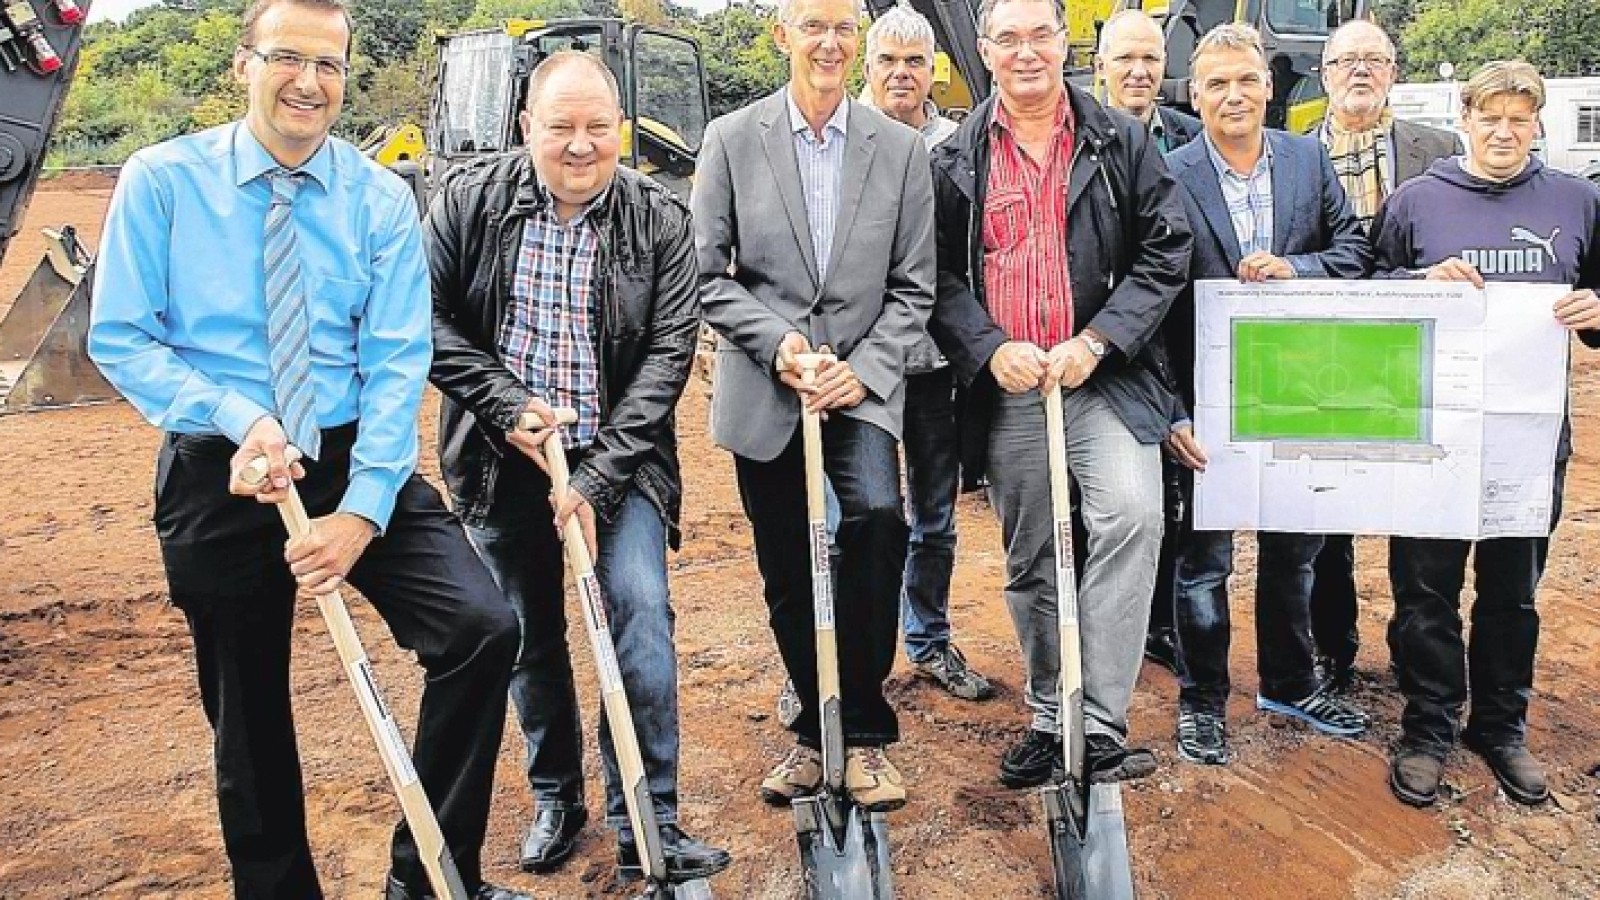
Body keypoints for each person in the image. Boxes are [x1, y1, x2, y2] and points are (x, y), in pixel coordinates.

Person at [86, 2, 528, 898]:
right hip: (222, 467)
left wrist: (363, 510)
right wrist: (233, 414)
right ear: (243, 65)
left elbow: (396, 360)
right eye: (288, 57)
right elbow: (123, 336)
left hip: (351, 455)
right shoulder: (161, 181)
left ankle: (432, 878)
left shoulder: (381, 199)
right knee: (247, 709)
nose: (309, 82)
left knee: (481, 629)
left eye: (329, 65)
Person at [424, 52, 732, 882]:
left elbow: (668, 354)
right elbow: (427, 321)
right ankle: (556, 796)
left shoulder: (658, 218)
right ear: (528, 126)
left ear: (621, 130)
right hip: (501, 457)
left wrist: (595, 481)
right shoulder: (468, 204)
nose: (580, 144)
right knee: (527, 632)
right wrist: (507, 406)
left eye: (598, 126)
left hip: (620, 460)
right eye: (561, 126)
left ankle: (648, 815)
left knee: (639, 611)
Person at [929, 0, 1192, 789]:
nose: (1026, 52)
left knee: (1134, 515)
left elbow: (1166, 248)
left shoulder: (1119, 140)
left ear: (1065, 42)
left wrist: (1099, 339)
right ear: (984, 50)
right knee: (1034, 554)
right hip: (1013, 389)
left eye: (1040, 34)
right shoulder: (955, 159)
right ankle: (1051, 716)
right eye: (1007, 38)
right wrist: (989, 347)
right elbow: (934, 275)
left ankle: (1099, 721)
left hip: (1105, 377)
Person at [693, 0, 935, 811]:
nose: (829, 43)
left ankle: (859, 733)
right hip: (768, 385)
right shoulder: (731, 139)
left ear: (857, 40)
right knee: (789, 564)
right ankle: (812, 732)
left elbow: (914, 288)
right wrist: (779, 345)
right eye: (812, 25)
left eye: (843, 28)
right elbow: (707, 275)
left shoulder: (899, 150)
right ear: (782, 35)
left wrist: (860, 372)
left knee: (877, 520)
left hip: (859, 386)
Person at [1370, 60, 1600, 809]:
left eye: (1519, 120)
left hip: (1528, 441)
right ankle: (1428, 726)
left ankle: (1501, 726)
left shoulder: (1578, 200)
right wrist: (1417, 284)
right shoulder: (1415, 201)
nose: (1504, 132)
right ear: (1464, 120)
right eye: (1490, 117)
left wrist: (1596, 309)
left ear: (1537, 125)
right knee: (1424, 590)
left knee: (1511, 592)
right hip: (1432, 432)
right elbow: (1365, 292)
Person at [1160, 22, 1372, 767]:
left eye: (1246, 79)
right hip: (1207, 400)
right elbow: (1149, 298)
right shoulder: (1170, 174)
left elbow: (1356, 252)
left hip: (1297, 394)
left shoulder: (1308, 161)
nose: (1234, 95)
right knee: (1203, 562)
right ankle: (1202, 701)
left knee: (1295, 551)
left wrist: (1297, 270)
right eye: (1216, 83)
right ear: (1195, 95)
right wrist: (1172, 411)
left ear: (1269, 85)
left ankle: (1289, 682)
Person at [1308, 18, 1462, 693]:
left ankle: (1415, 647)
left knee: (1418, 510)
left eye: (1374, 59)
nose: (1360, 71)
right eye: (1346, 61)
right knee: (1325, 516)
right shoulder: (1294, 154)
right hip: (1327, 359)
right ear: (1324, 75)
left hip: (1415, 359)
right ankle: (1331, 649)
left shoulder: (1443, 150)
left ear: (1395, 71)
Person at [860, 2, 994, 701]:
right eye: (888, 61)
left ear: (935, 69)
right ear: (868, 67)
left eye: (915, 61)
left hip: (937, 366)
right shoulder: (843, 138)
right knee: (863, 518)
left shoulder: (956, 145)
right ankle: (852, 657)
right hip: (863, 367)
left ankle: (930, 639)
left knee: (935, 516)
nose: (902, 74)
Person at [1095, 7, 1202, 675]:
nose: (1138, 71)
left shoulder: (1190, 140)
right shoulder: (1080, 137)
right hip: (1110, 343)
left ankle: (1162, 621)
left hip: (1181, 334)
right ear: (1101, 65)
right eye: (1125, 59)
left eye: (1151, 59)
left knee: (1178, 494)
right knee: (1116, 497)